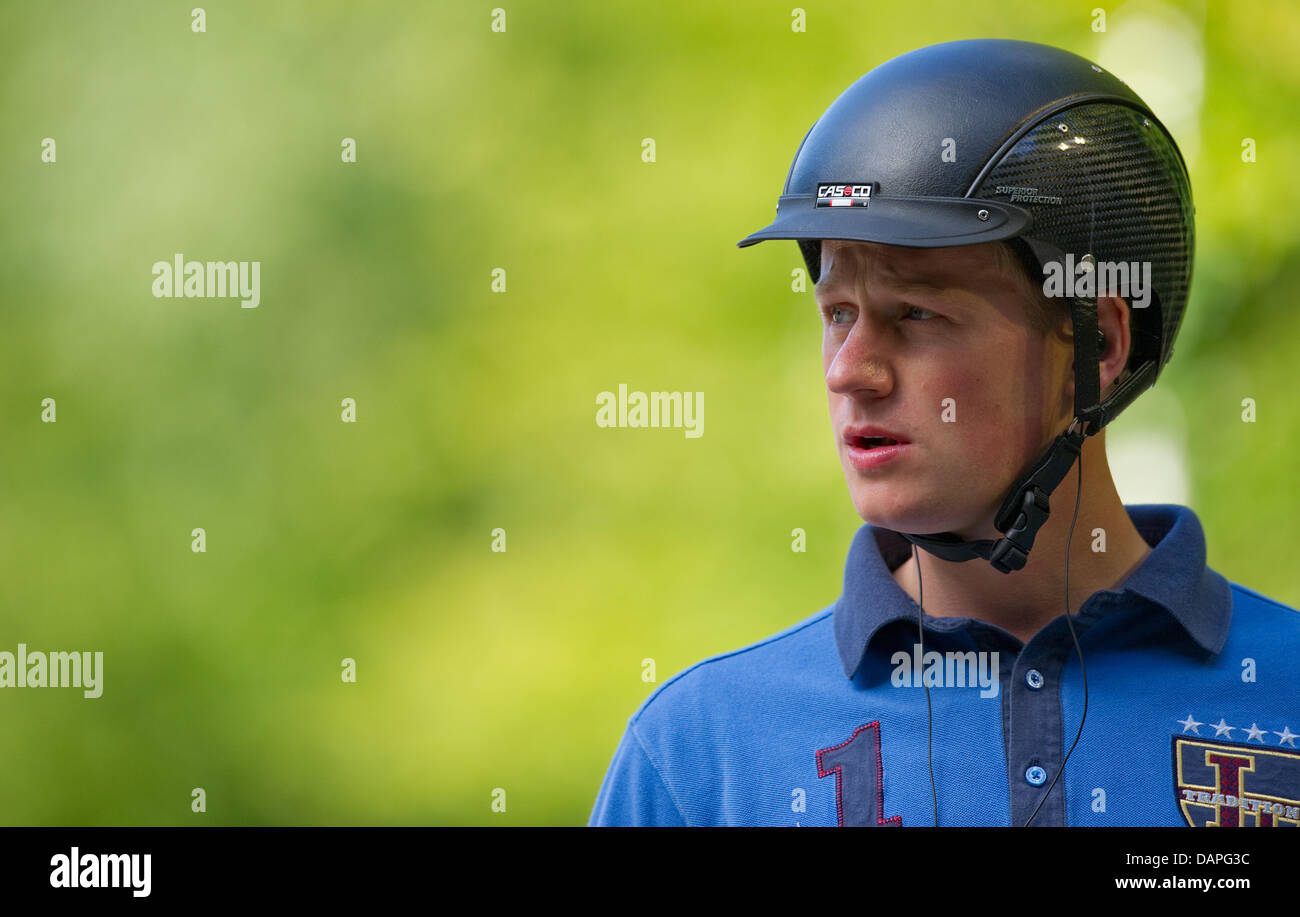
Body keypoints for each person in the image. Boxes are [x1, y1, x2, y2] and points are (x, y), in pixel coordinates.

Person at [588, 38, 1300, 827]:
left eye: (916, 314)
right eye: (838, 316)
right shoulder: (695, 755)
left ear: (1097, 349)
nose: (849, 371)